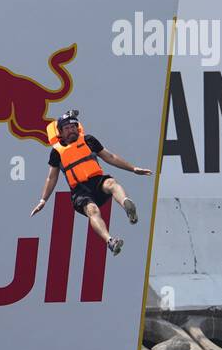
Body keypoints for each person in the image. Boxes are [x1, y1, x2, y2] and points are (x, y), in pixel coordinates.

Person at [29, 109, 151, 256]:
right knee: (92, 210)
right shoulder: (56, 152)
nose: (71, 130)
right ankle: (110, 241)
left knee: (111, 183)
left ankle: (126, 204)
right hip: (80, 192)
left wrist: (133, 169)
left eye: (73, 127)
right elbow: (51, 178)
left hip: (97, 182)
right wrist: (43, 200)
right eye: (67, 128)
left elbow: (110, 157)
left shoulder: (89, 140)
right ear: (60, 132)